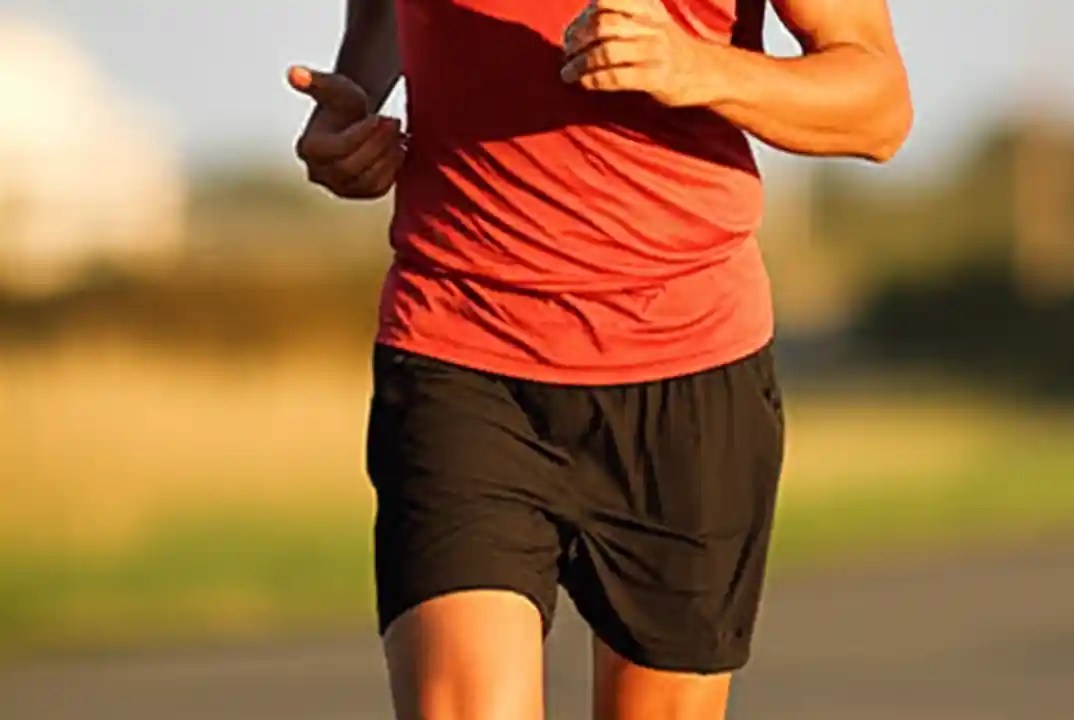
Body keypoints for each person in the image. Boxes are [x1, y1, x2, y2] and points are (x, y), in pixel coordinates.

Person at [288, 0, 911, 718]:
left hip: (686, 363)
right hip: (462, 345)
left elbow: (879, 107)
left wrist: (695, 67)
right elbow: (381, 17)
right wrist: (356, 109)